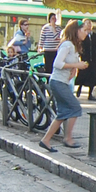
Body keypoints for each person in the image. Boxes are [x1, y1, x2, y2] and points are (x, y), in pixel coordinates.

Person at [38, 20, 88, 153]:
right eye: (84, 30)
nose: (86, 33)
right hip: (58, 82)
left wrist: (75, 68)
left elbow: (69, 62)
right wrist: (76, 65)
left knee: (63, 112)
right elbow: (57, 63)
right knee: (75, 107)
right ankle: (68, 138)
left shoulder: (73, 46)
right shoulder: (67, 45)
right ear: (76, 31)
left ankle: (46, 140)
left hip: (62, 82)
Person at [76, 19, 96, 100]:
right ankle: (80, 87)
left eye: (90, 23)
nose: (88, 25)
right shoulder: (83, 36)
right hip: (85, 58)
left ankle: (90, 94)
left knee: (93, 76)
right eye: (87, 23)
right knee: (83, 74)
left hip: (94, 59)